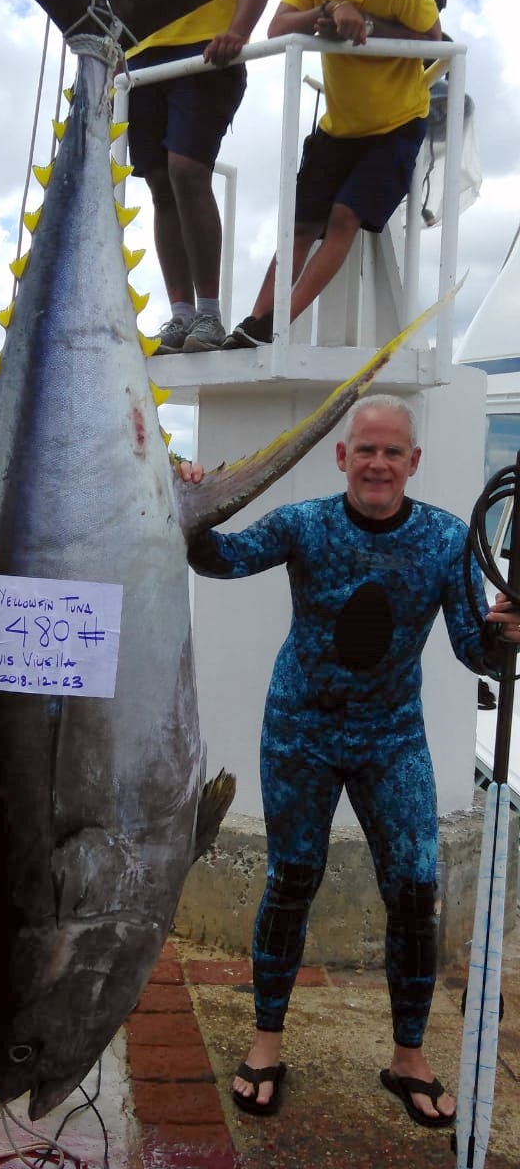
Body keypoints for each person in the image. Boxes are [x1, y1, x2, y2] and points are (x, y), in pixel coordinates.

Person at [180, 395, 520, 1124]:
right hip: (300, 731)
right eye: (365, 449)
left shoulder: (444, 539)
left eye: (393, 451)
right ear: (342, 457)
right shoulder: (305, 524)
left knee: (414, 888)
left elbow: (473, 648)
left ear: (413, 462)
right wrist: (192, 505)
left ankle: (408, 1057)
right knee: (292, 878)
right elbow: (219, 559)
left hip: (391, 738)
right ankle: (266, 1041)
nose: (378, 463)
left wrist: (506, 634)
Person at [222, 0, 442, 349]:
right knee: (299, 226)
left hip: (396, 124)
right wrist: (327, 10)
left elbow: (433, 42)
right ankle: (254, 321)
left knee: (342, 218)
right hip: (339, 126)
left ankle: (273, 329)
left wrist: (369, 23)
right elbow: (277, 28)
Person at [121, 0, 274, 354]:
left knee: (187, 170)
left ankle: (208, 314)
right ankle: (180, 315)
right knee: (159, 184)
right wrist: (116, 51)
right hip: (143, 57)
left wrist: (239, 32)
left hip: (207, 50)